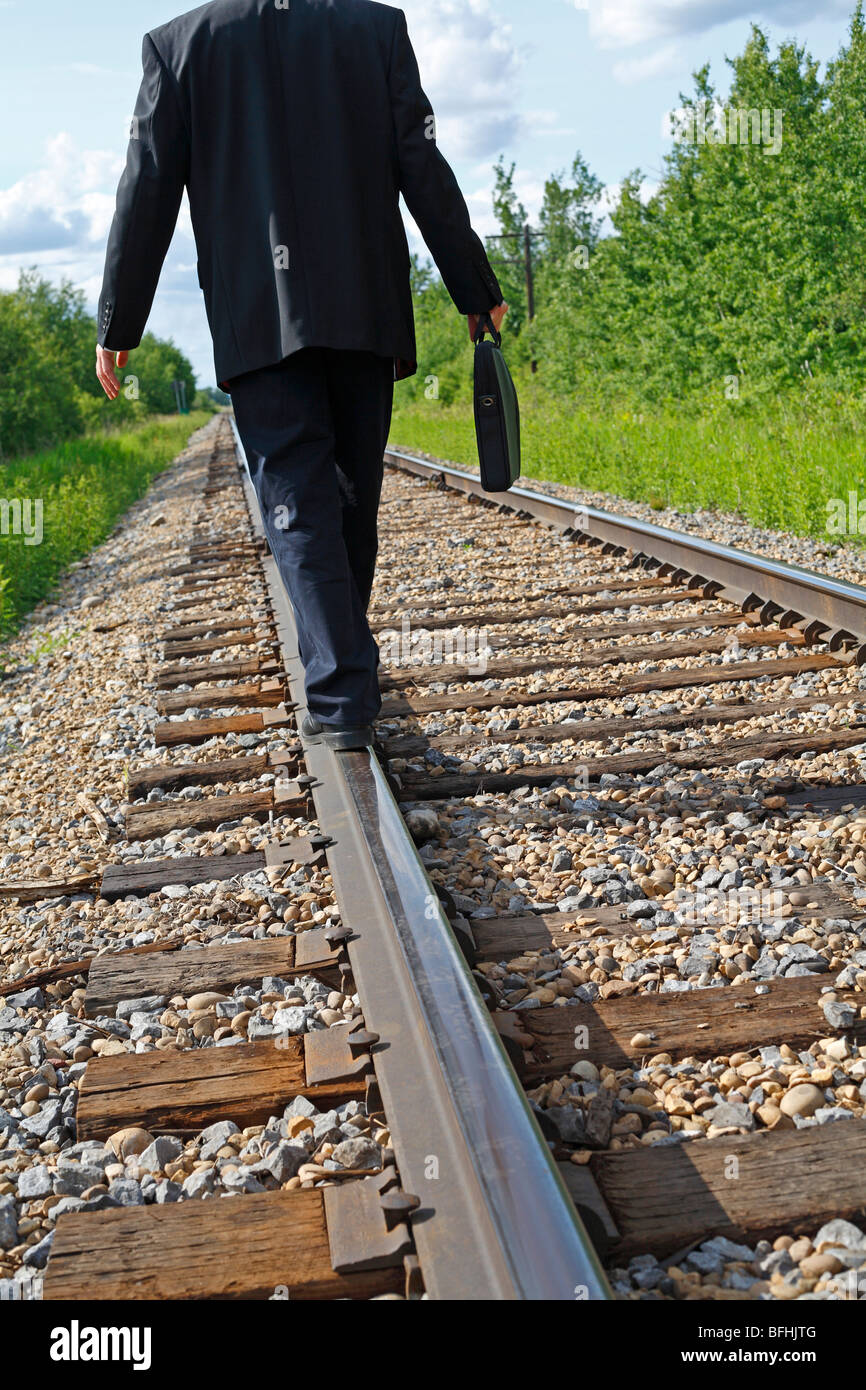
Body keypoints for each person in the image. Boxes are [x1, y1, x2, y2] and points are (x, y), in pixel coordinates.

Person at [95, 0, 507, 749]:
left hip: (258, 318)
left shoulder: (179, 47)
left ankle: (343, 687)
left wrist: (119, 321)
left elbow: (147, 184)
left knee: (301, 503)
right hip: (364, 309)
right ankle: (345, 685)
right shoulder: (373, 29)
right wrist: (473, 289)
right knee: (351, 501)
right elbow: (421, 162)